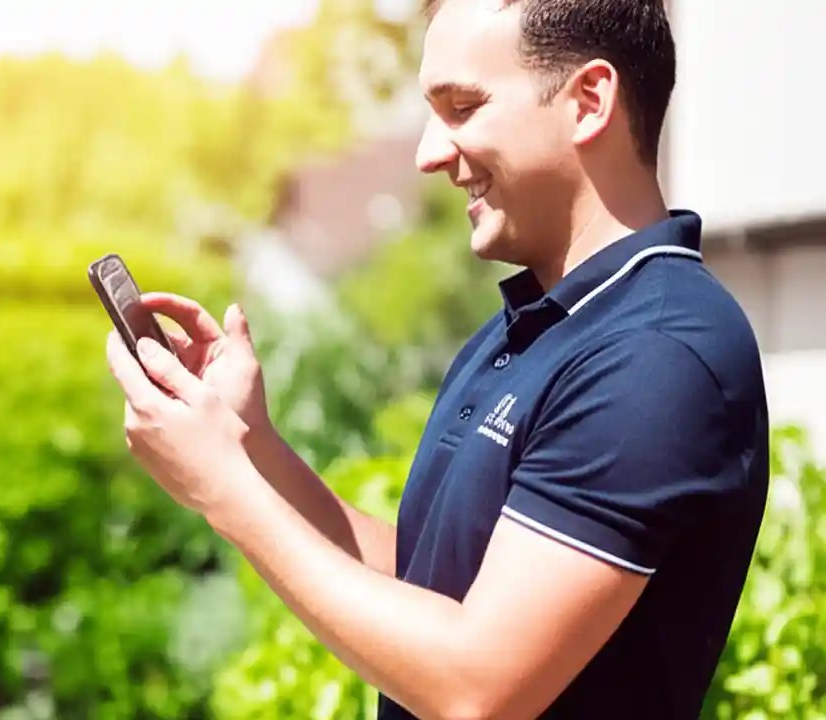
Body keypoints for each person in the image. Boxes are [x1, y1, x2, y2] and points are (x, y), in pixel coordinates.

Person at [102, 0, 769, 717]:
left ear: (589, 100)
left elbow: (476, 687)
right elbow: (428, 587)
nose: (428, 153)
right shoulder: (527, 332)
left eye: (463, 107)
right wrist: (249, 447)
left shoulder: (658, 353)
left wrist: (223, 490)